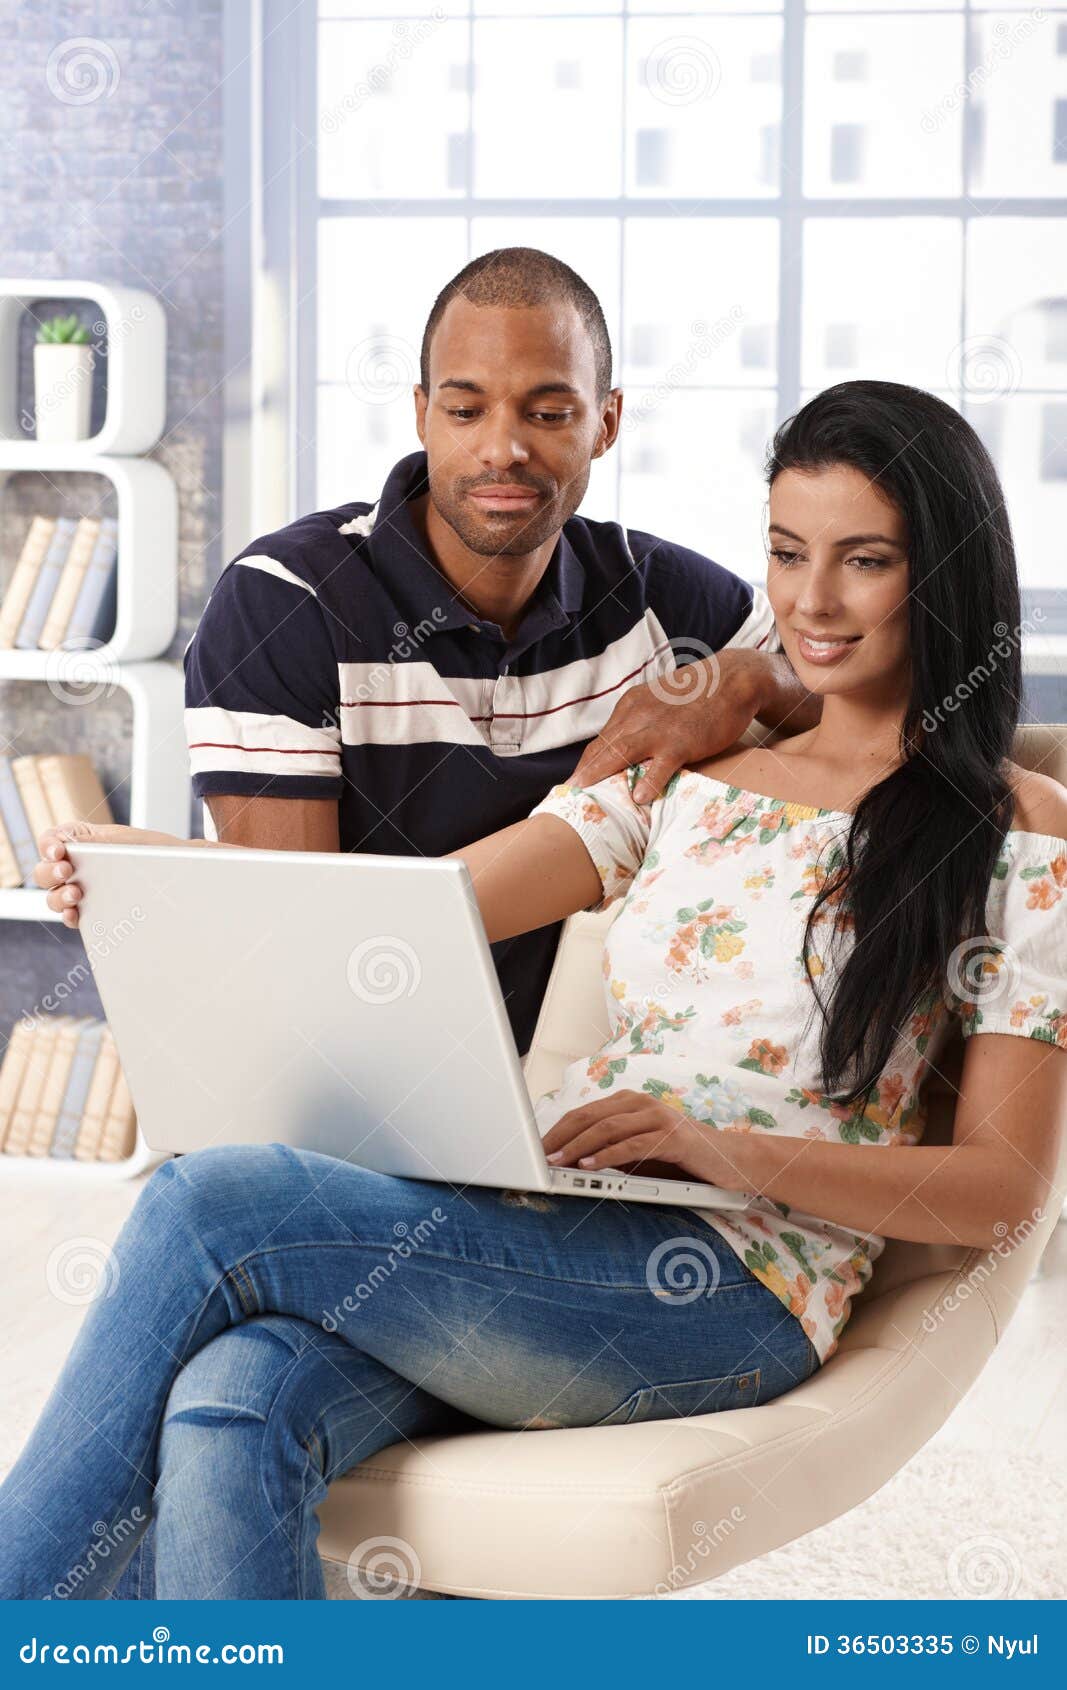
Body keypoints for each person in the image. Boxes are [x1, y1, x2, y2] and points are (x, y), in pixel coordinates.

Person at [10, 380, 1064, 1602]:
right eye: (783, 553)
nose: (809, 602)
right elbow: (417, 909)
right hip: (546, 1220)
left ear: (942, 573)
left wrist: (720, 1152)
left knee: (204, 1203)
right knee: (234, 1400)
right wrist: (155, 876)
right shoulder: (688, 767)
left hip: (728, 1289)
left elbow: (999, 1193)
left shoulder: (1018, 837)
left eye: (862, 560)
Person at [36, 247, 818, 1600]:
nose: (502, 447)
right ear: (416, 411)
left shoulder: (661, 603)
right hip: (359, 1132)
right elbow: (318, 978)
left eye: (546, 410)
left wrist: (731, 683)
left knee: (222, 1330)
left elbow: (842, 693)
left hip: (537, 1159)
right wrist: (184, 872)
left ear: (606, 421)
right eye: (465, 407)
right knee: (214, 1286)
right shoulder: (285, 602)